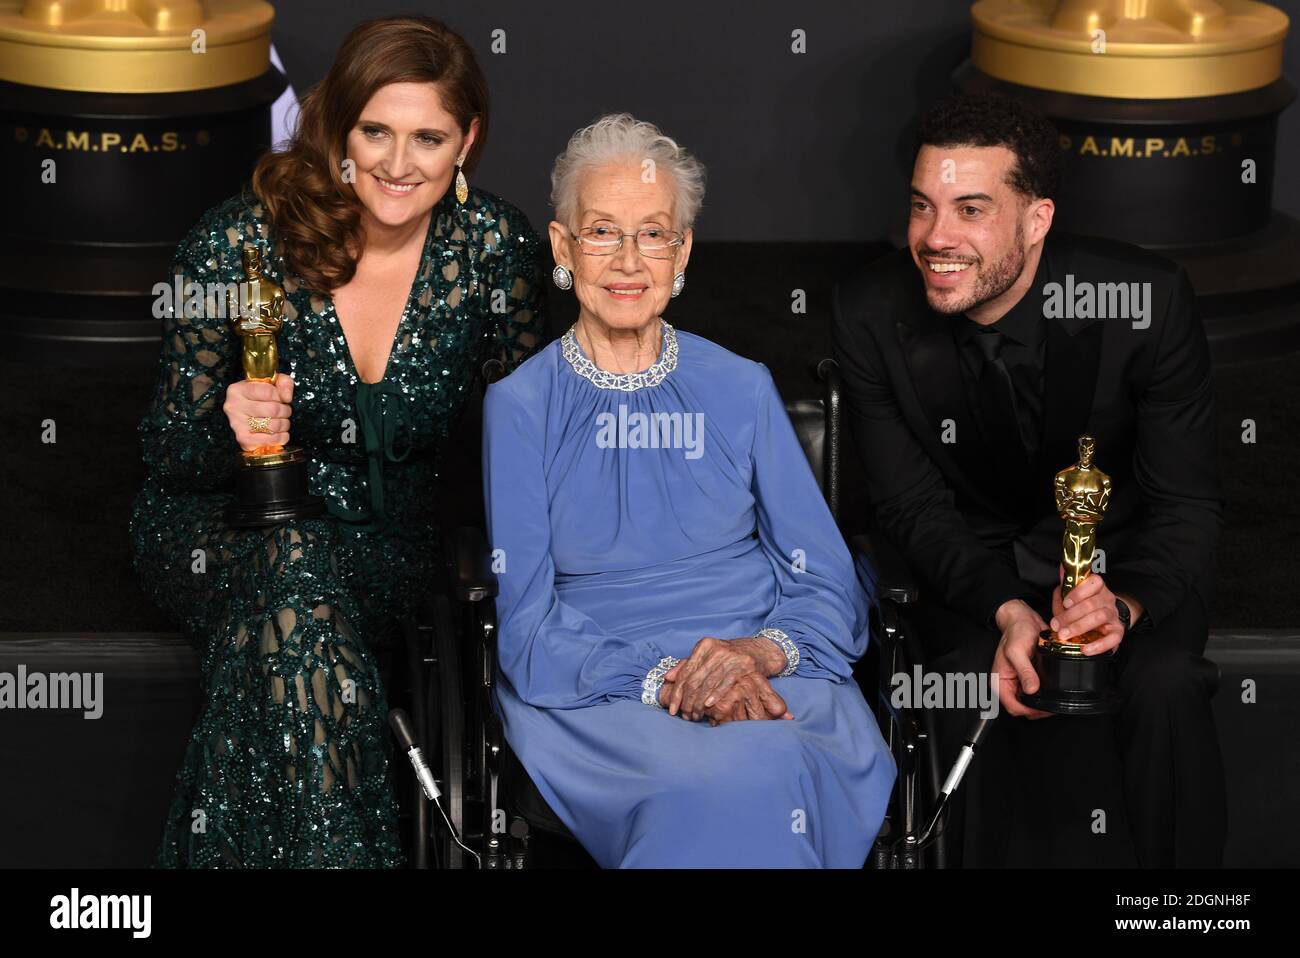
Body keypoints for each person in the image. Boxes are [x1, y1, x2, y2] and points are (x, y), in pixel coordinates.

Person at [129, 15, 545, 868]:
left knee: (297, 603)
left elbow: (530, 439)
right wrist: (228, 426)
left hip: (395, 543)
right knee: (294, 583)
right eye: (375, 132)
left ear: (467, 141)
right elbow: (170, 455)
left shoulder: (496, 251)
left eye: (428, 137)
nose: (398, 164)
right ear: (337, 130)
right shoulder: (240, 241)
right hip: (222, 532)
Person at [482, 114, 895, 868]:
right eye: (602, 232)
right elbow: (528, 626)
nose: (628, 260)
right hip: (602, 691)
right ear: (563, 249)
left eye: (654, 234)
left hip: (768, 667)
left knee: (771, 759)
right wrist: (675, 678)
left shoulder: (741, 386)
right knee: (732, 773)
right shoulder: (519, 408)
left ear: (684, 254)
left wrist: (755, 655)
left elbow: (828, 581)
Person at [831, 93, 1226, 867]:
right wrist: (1010, 611)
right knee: (953, 685)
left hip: (1126, 569)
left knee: (1167, 683)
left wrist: (1125, 601)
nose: (935, 239)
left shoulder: (1144, 302)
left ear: (1036, 219)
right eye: (922, 206)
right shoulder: (868, 310)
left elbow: (1187, 505)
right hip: (970, 576)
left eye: (970, 209)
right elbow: (909, 506)